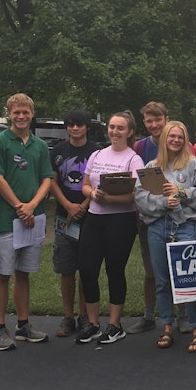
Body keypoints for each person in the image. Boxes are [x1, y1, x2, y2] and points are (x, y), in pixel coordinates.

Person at [135, 121, 196, 353]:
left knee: (190, 280)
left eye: (180, 137)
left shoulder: (193, 165)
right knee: (162, 280)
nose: (176, 140)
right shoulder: (151, 167)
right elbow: (140, 198)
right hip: (158, 226)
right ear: (165, 138)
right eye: (172, 136)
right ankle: (167, 326)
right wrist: (163, 202)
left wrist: (182, 193)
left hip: (185, 226)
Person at [0, 93, 54, 351]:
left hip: (32, 220)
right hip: (8, 219)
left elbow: (46, 178)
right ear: (9, 113)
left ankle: (23, 325)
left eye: (25, 111)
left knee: (24, 273)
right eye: (16, 112)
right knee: (4, 273)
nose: (21, 116)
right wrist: (18, 206)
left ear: (32, 113)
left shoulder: (38, 145)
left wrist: (32, 206)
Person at [74, 111, 144, 344]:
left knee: (114, 270)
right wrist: (93, 194)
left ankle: (115, 324)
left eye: (120, 128)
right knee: (86, 269)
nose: (115, 131)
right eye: (112, 127)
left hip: (120, 221)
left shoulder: (133, 159)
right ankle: (93, 323)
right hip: (94, 218)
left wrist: (111, 200)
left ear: (130, 132)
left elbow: (138, 195)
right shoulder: (97, 154)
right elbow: (85, 185)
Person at [129, 102, 191, 334]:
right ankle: (149, 316)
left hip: (180, 219)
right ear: (144, 122)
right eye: (149, 120)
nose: (154, 125)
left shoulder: (185, 146)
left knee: (181, 269)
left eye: (158, 120)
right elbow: (138, 186)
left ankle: (182, 316)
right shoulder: (140, 148)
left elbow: (195, 187)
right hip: (150, 218)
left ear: (167, 119)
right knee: (152, 271)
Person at [49, 109, 100, 338]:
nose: (75, 128)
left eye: (79, 124)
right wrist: (68, 206)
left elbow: (101, 182)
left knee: (87, 268)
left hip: (91, 216)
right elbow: (52, 181)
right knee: (66, 269)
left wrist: (83, 205)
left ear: (87, 126)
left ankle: (83, 315)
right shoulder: (59, 151)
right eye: (70, 124)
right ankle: (68, 316)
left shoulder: (97, 151)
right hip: (64, 217)